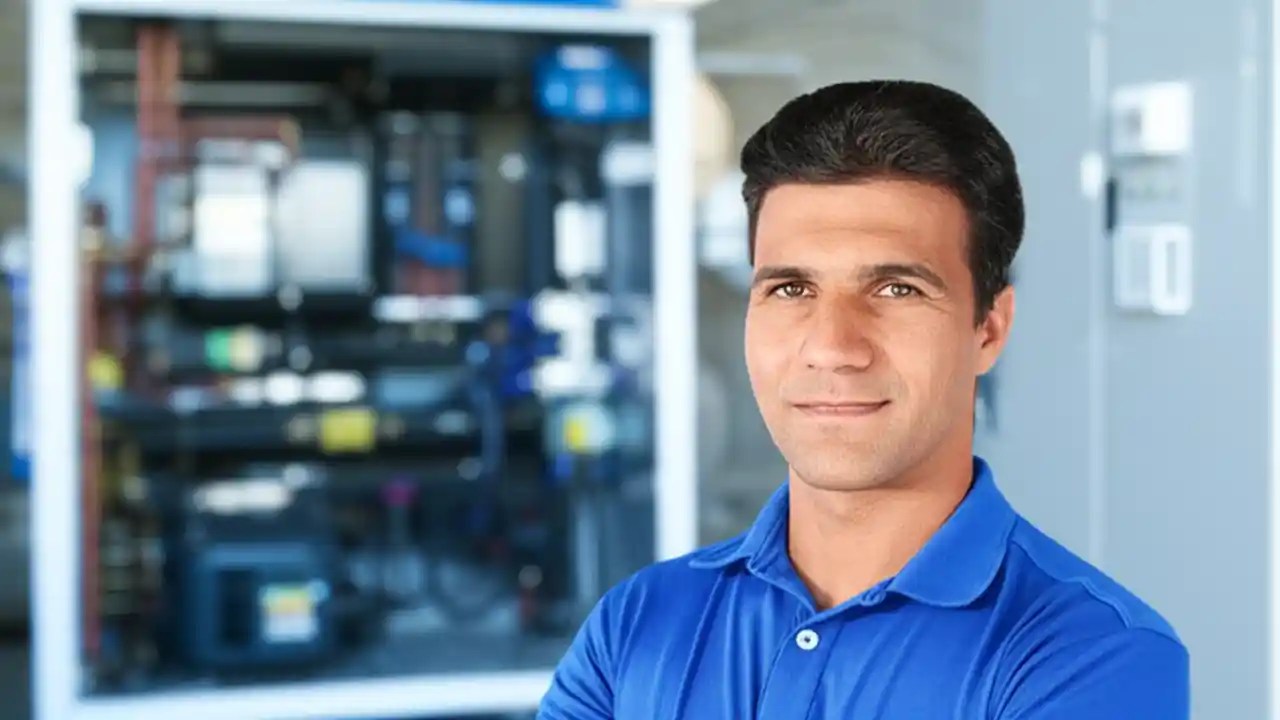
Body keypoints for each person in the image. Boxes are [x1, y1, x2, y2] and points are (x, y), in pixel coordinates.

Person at [537, 80, 1189, 719]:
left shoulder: (1090, 656)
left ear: (988, 329)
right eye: (790, 290)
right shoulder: (636, 626)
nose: (833, 346)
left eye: (896, 289)